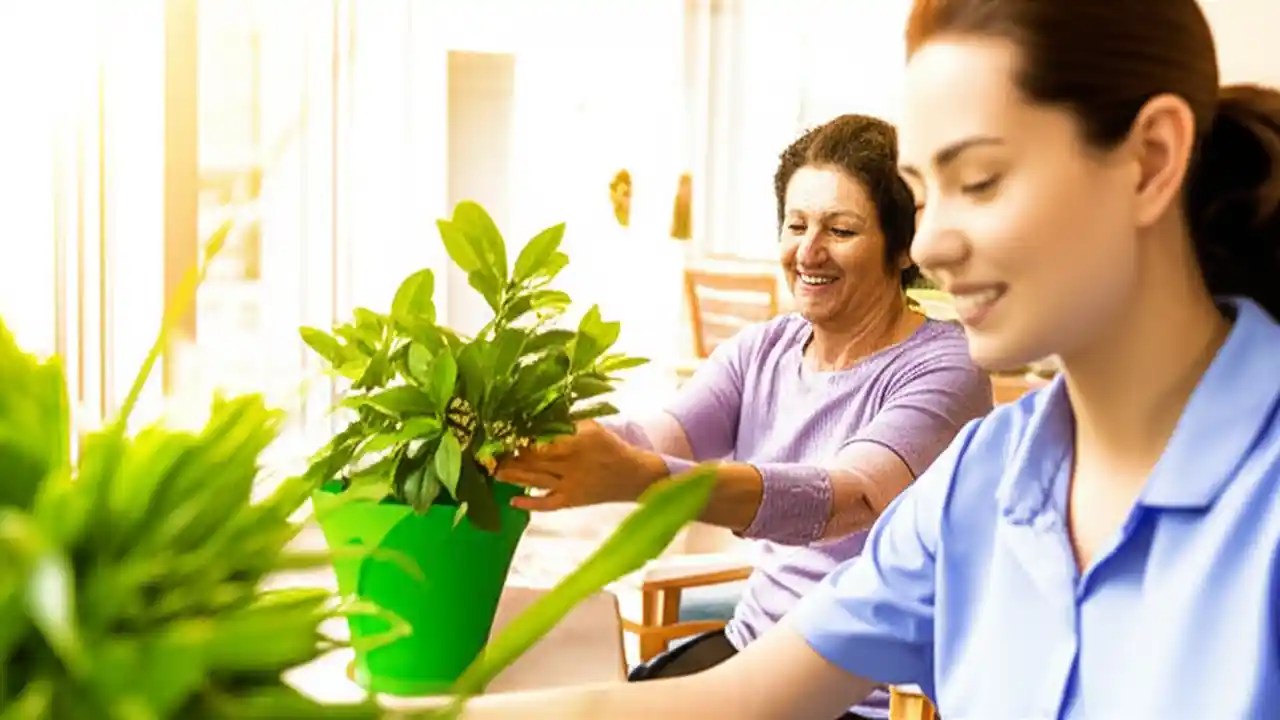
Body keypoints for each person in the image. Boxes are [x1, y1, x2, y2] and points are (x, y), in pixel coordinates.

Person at [453, 0, 1280, 716]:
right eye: (923, 196)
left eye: (982, 180)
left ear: (1151, 160)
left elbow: (842, 497)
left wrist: (644, 481)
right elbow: (734, 700)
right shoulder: (981, 477)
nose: (935, 242)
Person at [497, 113, 993, 720]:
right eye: (796, 224)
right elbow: (659, 434)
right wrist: (538, 442)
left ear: (901, 244)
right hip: (751, 653)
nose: (809, 251)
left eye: (840, 229)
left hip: (868, 698)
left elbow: (842, 501)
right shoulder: (762, 351)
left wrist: (641, 478)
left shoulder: (947, 368)